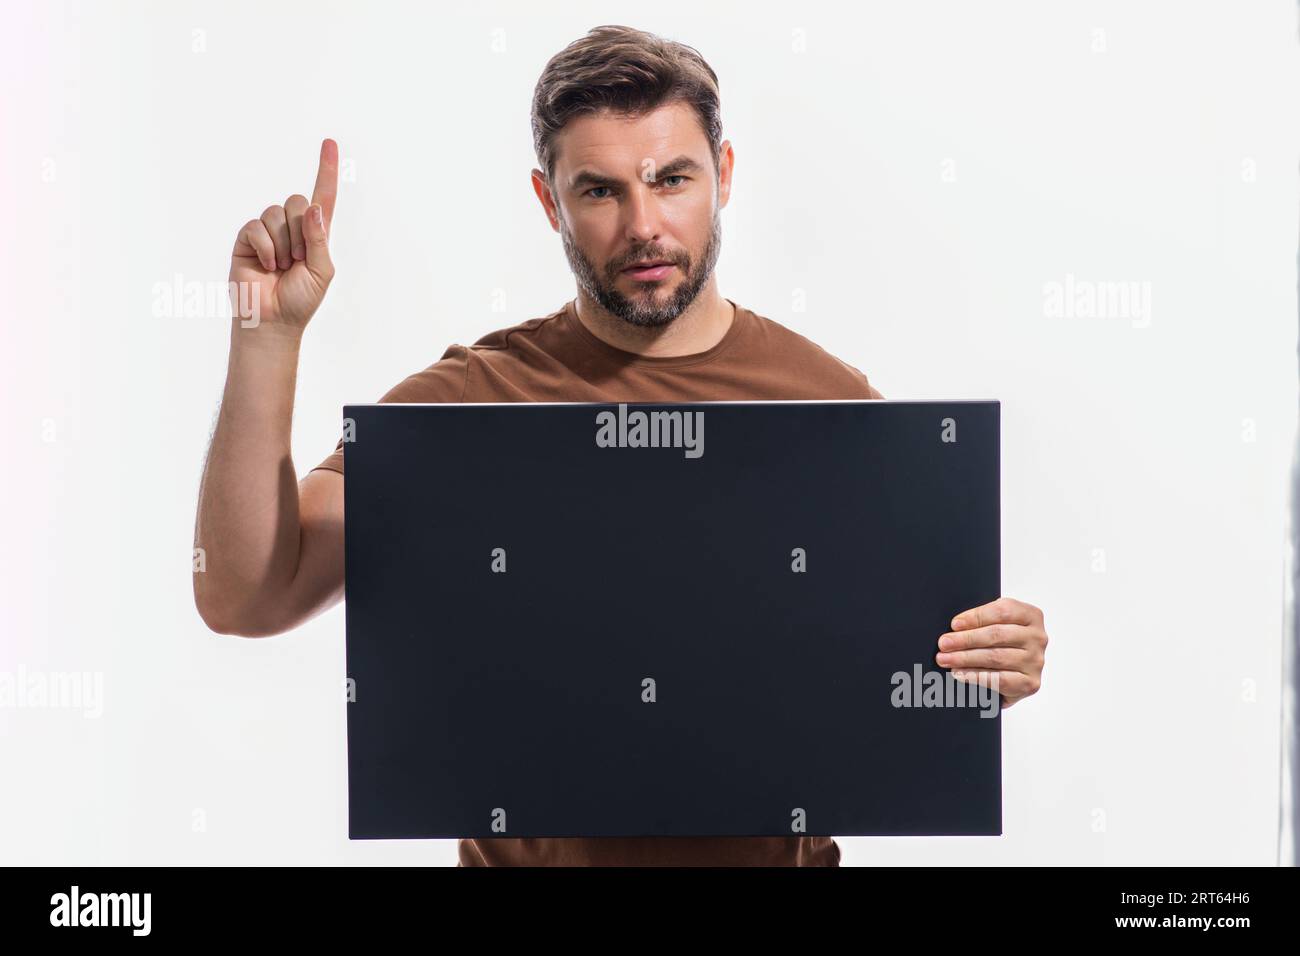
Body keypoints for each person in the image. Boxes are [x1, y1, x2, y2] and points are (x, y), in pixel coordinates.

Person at [192, 24, 1049, 867]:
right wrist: (263, 339)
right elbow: (245, 596)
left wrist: (987, 665)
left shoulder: (830, 402)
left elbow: (885, 674)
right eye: (600, 191)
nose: (645, 225)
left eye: (672, 179)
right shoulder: (468, 402)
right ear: (548, 201)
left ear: (724, 176)